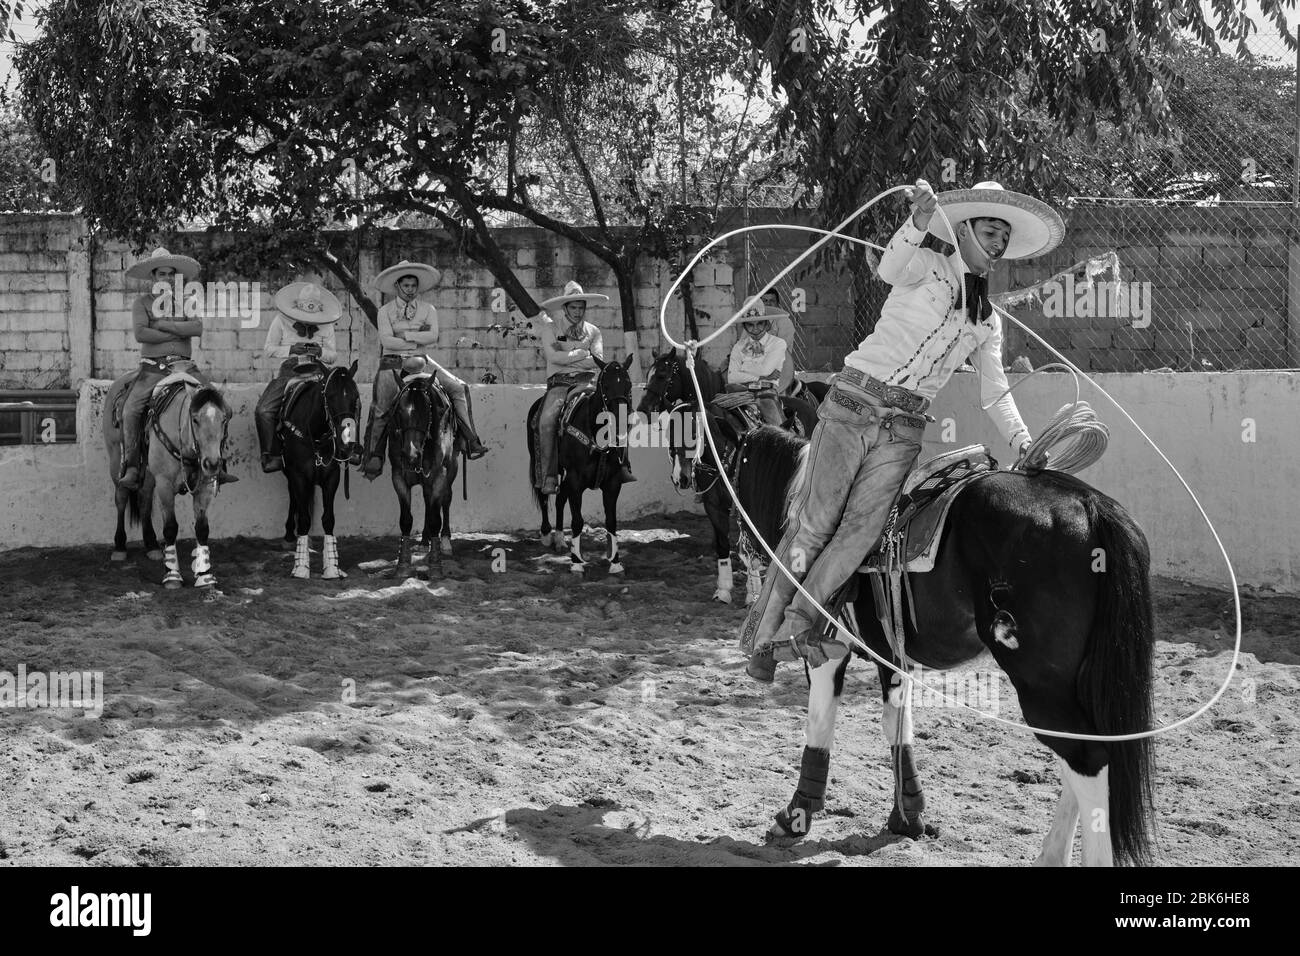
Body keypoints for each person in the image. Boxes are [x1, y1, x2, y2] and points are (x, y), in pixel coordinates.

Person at [741, 179, 1065, 682]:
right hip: (853, 403)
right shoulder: (925, 266)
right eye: (989, 229)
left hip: (904, 427)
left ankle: (802, 622)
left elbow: (994, 391)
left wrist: (1024, 442)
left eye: (1003, 234)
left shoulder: (987, 321)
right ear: (964, 230)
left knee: (861, 531)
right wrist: (916, 221)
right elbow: (890, 266)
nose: (998, 241)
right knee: (815, 523)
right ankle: (762, 637)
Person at [117, 247, 236, 490]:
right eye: (162, 274)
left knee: (223, 407)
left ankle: (218, 464)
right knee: (130, 410)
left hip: (187, 367)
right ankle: (131, 466)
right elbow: (141, 334)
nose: (167, 279)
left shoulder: (187, 302)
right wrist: (177, 328)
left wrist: (163, 325)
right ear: (154, 277)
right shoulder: (141, 303)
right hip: (153, 369)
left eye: (171, 274)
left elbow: (197, 328)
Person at [362, 259, 489, 479]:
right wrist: (417, 339)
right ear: (397, 287)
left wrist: (406, 336)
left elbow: (433, 336)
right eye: (406, 285)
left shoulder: (428, 309)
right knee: (382, 409)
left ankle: (470, 440)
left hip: (422, 359)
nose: (410, 290)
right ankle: (373, 456)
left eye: (414, 285)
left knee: (458, 388)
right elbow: (387, 341)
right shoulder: (384, 311)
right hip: (392, 361)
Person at [535, 280, 635, 494]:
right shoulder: (551, 328)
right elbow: (553, 357)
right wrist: (581, 354)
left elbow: (597, 359)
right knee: (546, 421)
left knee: (621, 413)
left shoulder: (593, 331)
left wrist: (568, 357)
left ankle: (622, 465)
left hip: (587, 382)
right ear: (565, 308)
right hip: (559, 384)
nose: (578, 312)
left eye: (581, 307)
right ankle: (549, 476)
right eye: (573, 307)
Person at [256, 281, 341, 472]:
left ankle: (346, 448)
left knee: (344, 402)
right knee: (263, 410)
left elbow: (333, 355)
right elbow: (268, 349)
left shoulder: (327, 326)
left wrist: (320, 352)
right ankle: (271, 455)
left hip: (318, 371)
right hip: (290, 371)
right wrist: (291, 349)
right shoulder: (280, 320)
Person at [724, 300, 788, 427]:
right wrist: (760, 377)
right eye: (750, 325)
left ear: (766, 324)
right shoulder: (738, 346)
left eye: (759, 323)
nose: (755, 329)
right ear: (745, 326)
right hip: (739, 393)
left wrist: (744, 367)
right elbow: (732, 378)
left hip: (767, 394)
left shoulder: (778, 343)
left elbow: (766, 370)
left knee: (779, 431)